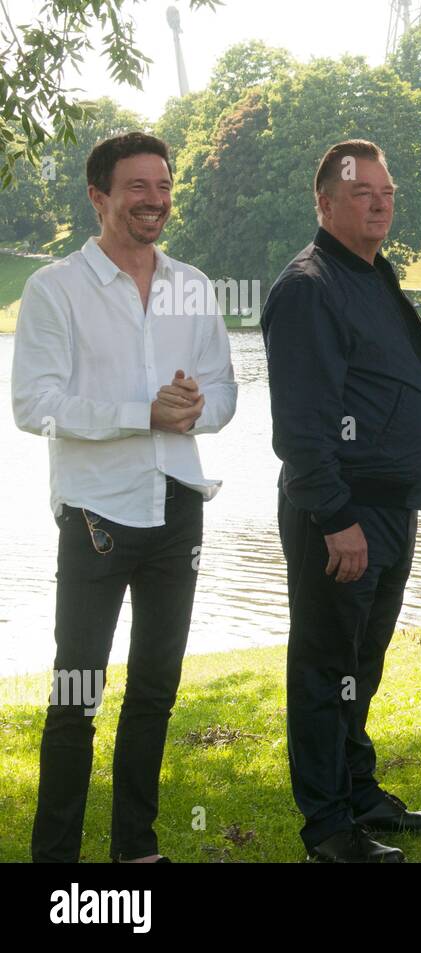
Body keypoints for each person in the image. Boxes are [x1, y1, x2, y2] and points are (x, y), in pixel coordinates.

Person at [13, 132, 236, 862]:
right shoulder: (54, 288)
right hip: (95, 514)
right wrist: (140, 410)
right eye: (138, 186)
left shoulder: (193, 285)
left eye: (164, 185)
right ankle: (55, 860)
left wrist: (191, 406)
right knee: (77, 694)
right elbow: (33, 404)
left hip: (178, 507)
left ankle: (135, 849)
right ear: (99, 197)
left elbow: (226, 392)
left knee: (155, 689)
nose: (155, 199)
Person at [261, 140, 421, 863]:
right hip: (340, 513)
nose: (378, 201)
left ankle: (358, 789)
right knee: (322, 666)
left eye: (387, 190)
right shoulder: (310, 286)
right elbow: (302, 426)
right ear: (325, 201)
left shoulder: (372, 276)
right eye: (362, 190)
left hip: (390, 509)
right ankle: (329, 830)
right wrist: (336, 517)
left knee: (359, 664)